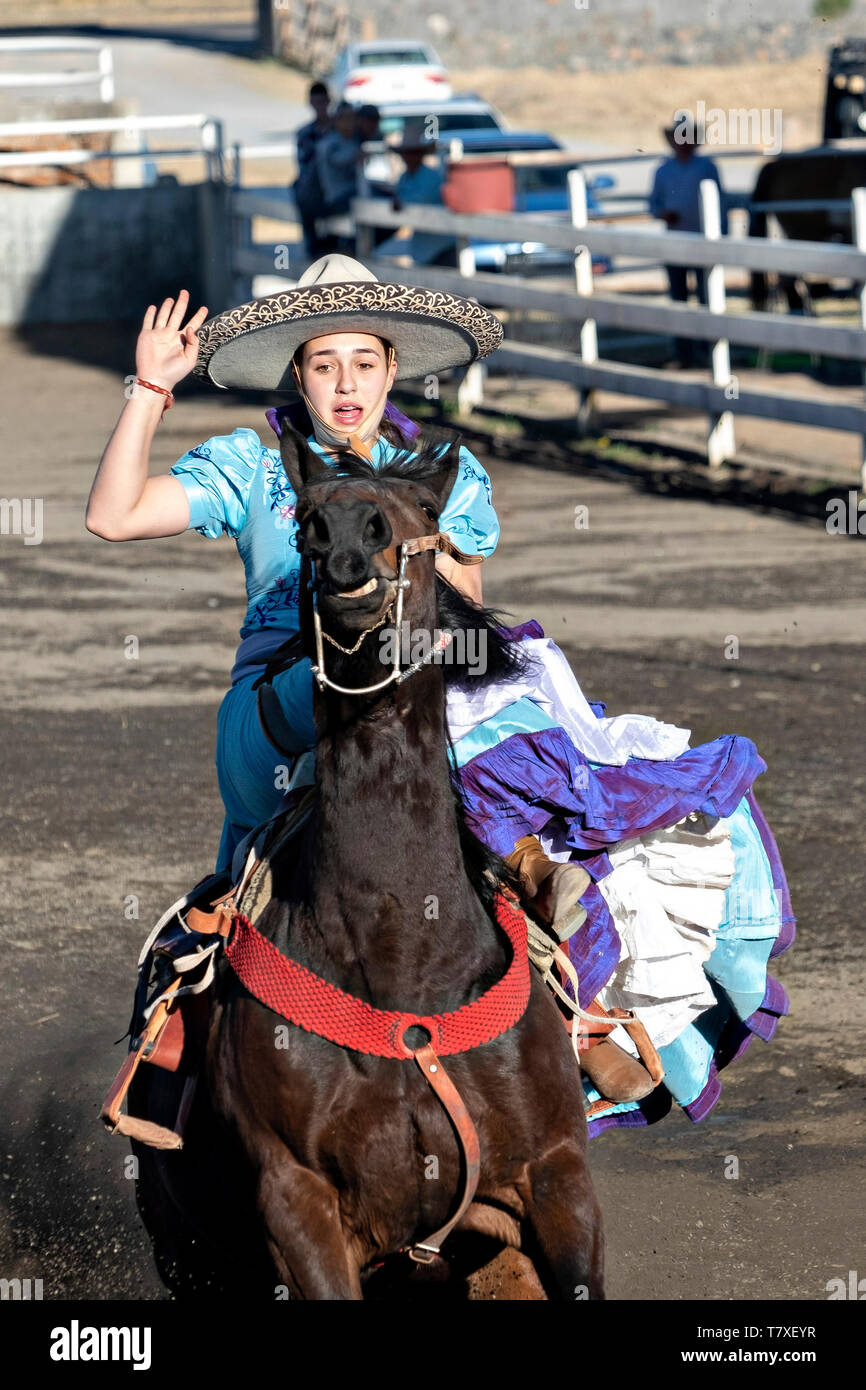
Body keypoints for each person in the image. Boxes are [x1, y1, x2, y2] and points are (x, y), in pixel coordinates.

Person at [86, 255, 793, 1128]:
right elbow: (112, 516)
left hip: (413, 690)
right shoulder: (251, 465)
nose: (345, 385)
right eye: (322, 363)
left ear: (392, 368)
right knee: (428, 708)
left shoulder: (441, 472)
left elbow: (459, 617)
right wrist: (150, 389)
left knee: (517, 710)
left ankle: (571, 999)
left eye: (364, 363)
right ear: (297, 372)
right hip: (282, 706)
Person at [649, 121, 728, 367]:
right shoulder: (663, 170)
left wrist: (720, 238)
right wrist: (664, 214)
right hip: (676, 242)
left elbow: (720, 204)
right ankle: (684, 354)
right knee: (679, 299)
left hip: (703, 242)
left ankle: (707, 352)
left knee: (707, 298)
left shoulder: (706, 167)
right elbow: (653, 204)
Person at [375, 119, 454, 267]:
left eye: (413, 153)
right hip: (424, 245)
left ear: (421, 154)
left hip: (441, 245)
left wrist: (399, 202)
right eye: (406, 153)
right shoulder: (405, 177)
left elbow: (417, 201)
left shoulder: (431, 176)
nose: (408, 157)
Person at [292, 81, 331, 257]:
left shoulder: (340, 129)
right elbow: (304, 164)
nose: (320, 107)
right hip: (314, 189)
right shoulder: (305, 133)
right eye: (316, 102)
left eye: (322, 102)